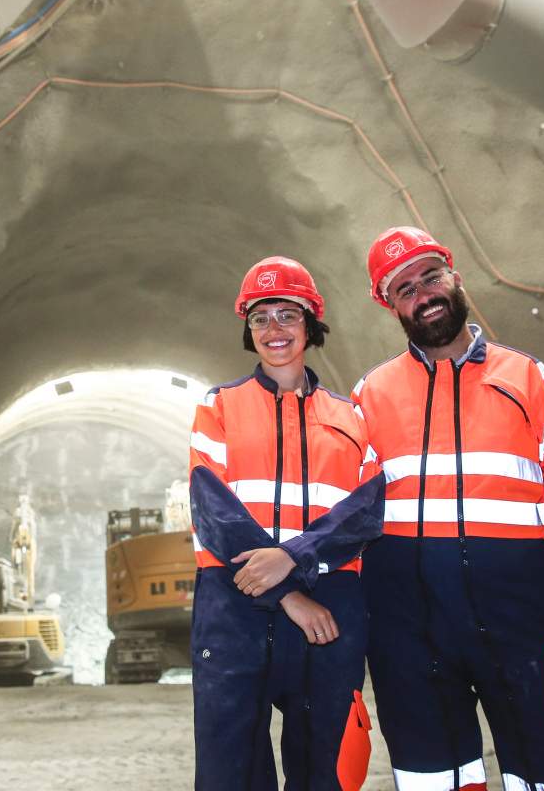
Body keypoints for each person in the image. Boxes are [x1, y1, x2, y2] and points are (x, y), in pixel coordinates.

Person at [235, 228, 544, 791]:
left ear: (455, 278)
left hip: (519, 622)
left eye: (431, 277)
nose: (423, 294)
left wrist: (507, 559)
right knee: (431, 778)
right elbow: (347, 505)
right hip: (408, 631)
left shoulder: (529, 379)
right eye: (404, 289)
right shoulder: (370, 395)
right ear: (391, 306)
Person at [189, 256, 376, 791]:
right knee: (232, 774)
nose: (274, 329)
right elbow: (213, 509)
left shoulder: (350, 416)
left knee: (326, 770)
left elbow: (363, 513)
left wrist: (293, 558)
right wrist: (289, 594)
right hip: (235, 604)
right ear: (248, 330)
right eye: (260, 317)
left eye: (287, 315)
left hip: (330, 606)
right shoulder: (218, 407)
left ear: (310, 324)